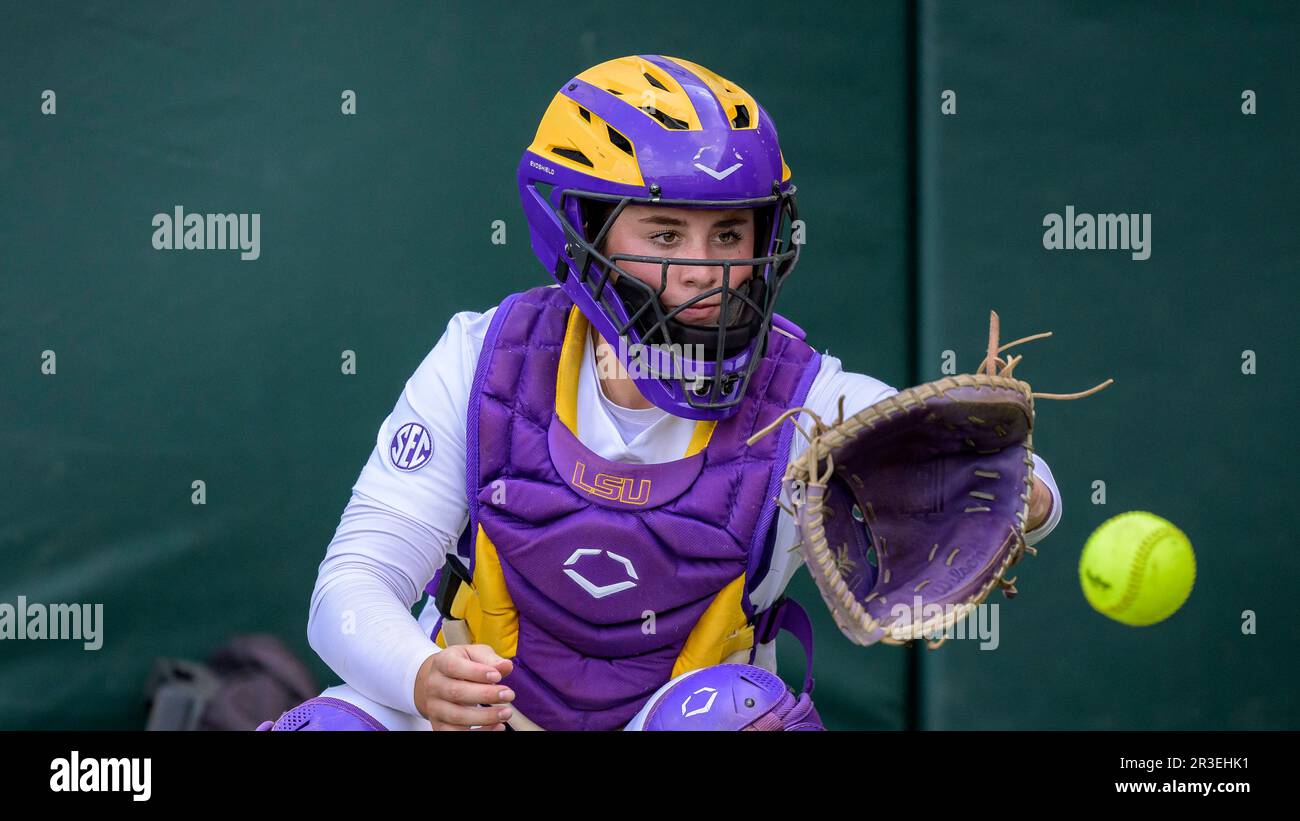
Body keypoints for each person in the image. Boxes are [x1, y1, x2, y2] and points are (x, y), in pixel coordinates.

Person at [258, 54, 1061, 732]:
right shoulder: (482, 359)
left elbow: (1025, 481)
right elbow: (349, 590)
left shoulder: (806, 400)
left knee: (740, 714)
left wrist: (1010, 493)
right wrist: (421, 672)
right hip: (478, 718)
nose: (706, 271)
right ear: (586, 230)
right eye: (666, 235)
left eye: (730, 235)